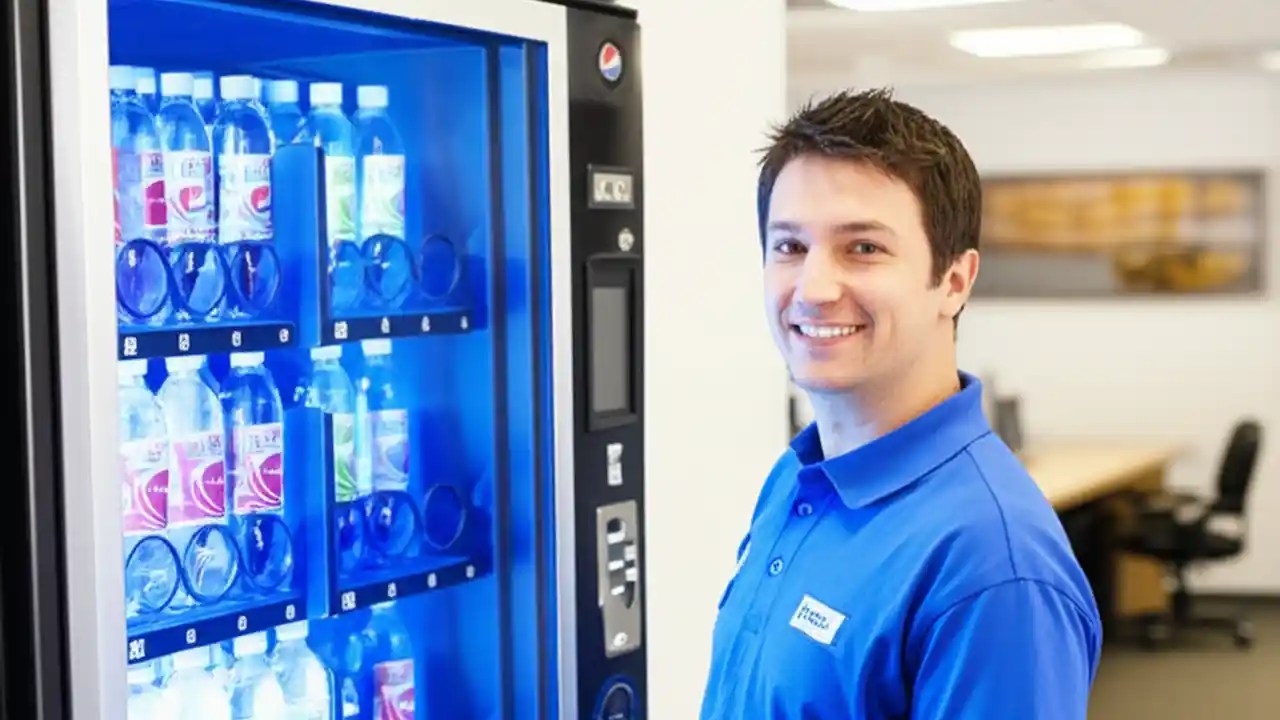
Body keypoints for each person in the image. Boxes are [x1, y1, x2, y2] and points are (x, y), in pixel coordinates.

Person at [699, 88, 1102, 719]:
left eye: (864, 248)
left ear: (954, 280)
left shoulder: (993, 566)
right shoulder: (796, 479)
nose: (814, 287)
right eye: (790, 246)